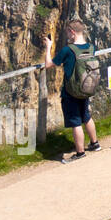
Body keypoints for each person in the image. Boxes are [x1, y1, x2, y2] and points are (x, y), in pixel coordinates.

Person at [43, 19, 101, 161]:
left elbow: (49, 64)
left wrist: (48, 47)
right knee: (86, 116)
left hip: (71, 91)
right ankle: (95, 143)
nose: (67, 35)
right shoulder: (91, 47)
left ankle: (80, 152)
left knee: (75, 122)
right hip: (86, 87)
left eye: (67, 32)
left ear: (72, 32)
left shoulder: (68, 50)